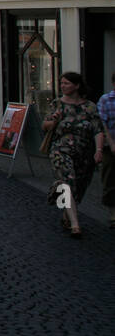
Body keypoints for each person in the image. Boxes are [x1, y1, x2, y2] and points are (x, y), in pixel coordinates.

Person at [41, 71, 107, 238]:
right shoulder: (57, 104)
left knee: (79, 186)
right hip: (60, 150)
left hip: (84, 153)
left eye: (66, 83)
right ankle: (75, 224)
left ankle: (67, 214)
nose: (63, 86)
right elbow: (45, 125)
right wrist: (54, 121)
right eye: (61, 83)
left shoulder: (90, 107)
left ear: (77, 86)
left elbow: (98, 130)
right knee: (67, 181)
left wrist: (99, 150)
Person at [97, 71, 115, 228]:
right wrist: (110, 143)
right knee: (110, 178)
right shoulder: (106, 100)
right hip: (111, 147)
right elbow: (101, 124)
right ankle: (113, 213)